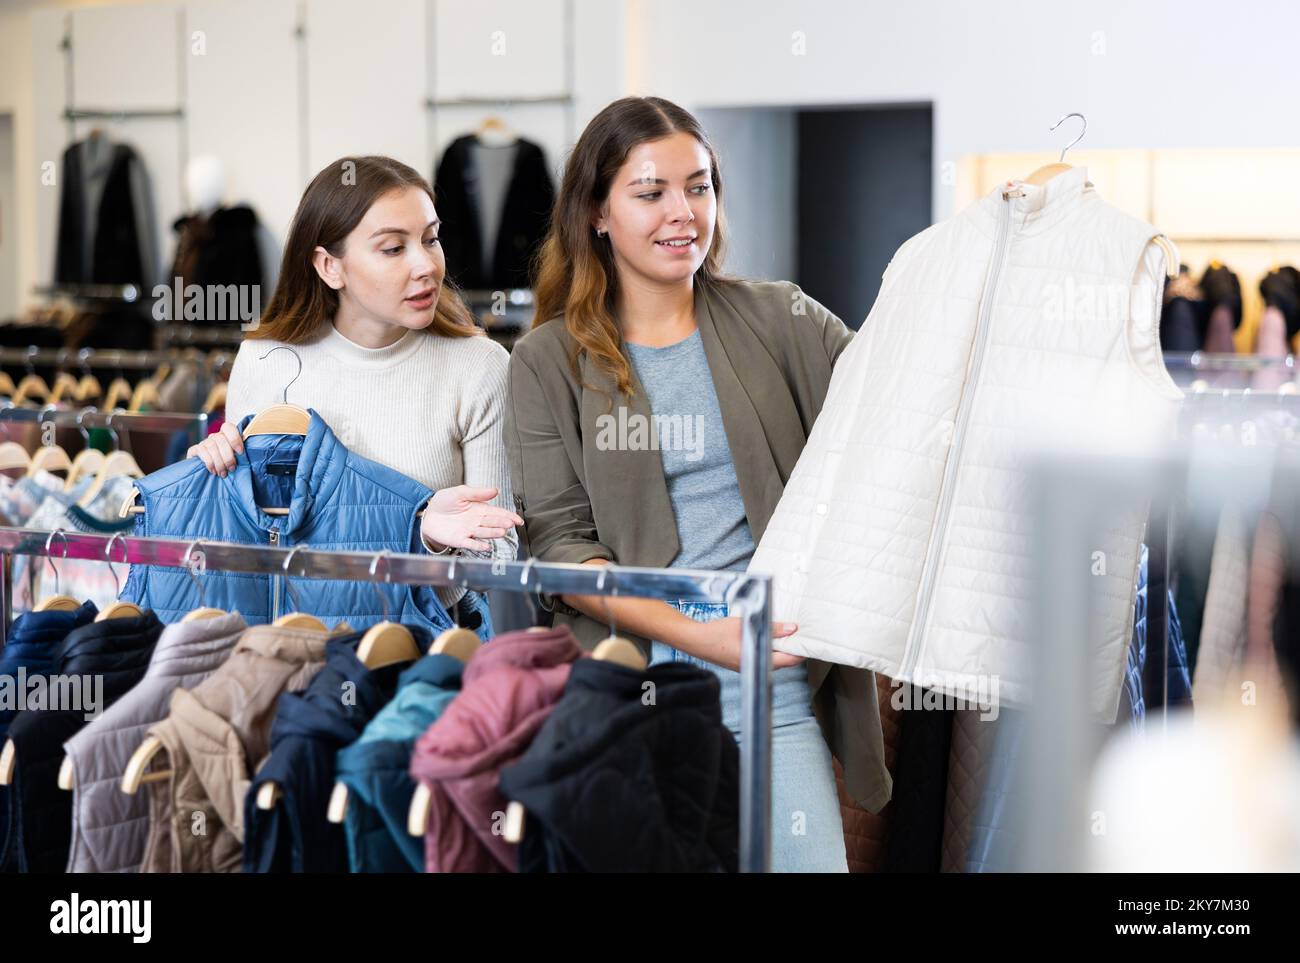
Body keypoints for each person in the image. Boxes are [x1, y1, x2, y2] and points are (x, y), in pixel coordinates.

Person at [505, 96, 890, 872]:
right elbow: (562, 554)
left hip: (774, 687)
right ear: (597, 213)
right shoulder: (546, 361)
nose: (684, 212)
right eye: (651, 193)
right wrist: (708, 635)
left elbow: (897, 406)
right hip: (634, 692)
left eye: (700, 186)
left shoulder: (781, 317)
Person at [187, 155, 523, 627]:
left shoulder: (480, 368)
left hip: (424, 648)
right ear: (329, 266)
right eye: (393, 248)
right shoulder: (265, 361)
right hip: (292, 642)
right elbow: (251, 543)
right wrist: (213, 479)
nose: (425, 265)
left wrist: (433, 541)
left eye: (431, 239)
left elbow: (499, 554)